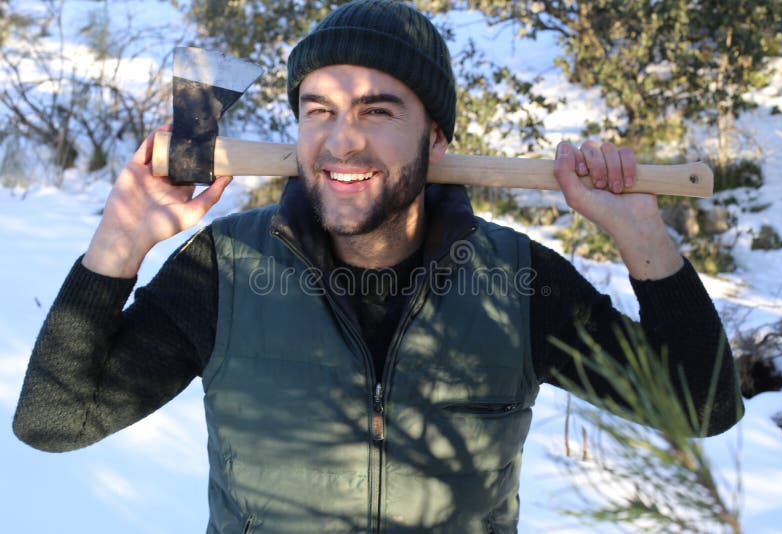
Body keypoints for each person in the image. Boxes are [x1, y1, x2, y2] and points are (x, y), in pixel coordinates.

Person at [13, 0, 743, 532]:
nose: (341, 143)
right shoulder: (225, 267)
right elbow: (54, 422)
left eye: (379, 111)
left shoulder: (518, 282)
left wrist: (639, 232)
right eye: (317, 110)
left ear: (439, 138)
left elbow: (699, 407)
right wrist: (120, 242)